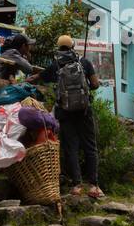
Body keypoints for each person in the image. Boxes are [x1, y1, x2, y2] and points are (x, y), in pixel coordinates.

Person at [40, 34, 103, 199]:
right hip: (84, 110)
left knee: (71, 148)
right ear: (72, 46)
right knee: (90, 147)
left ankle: (76, 185)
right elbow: (95, 84)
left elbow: (43, 79)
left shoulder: (55, 64)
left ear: (58, 47)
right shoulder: (84, 62)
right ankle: (94, 186)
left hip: (65, 112)